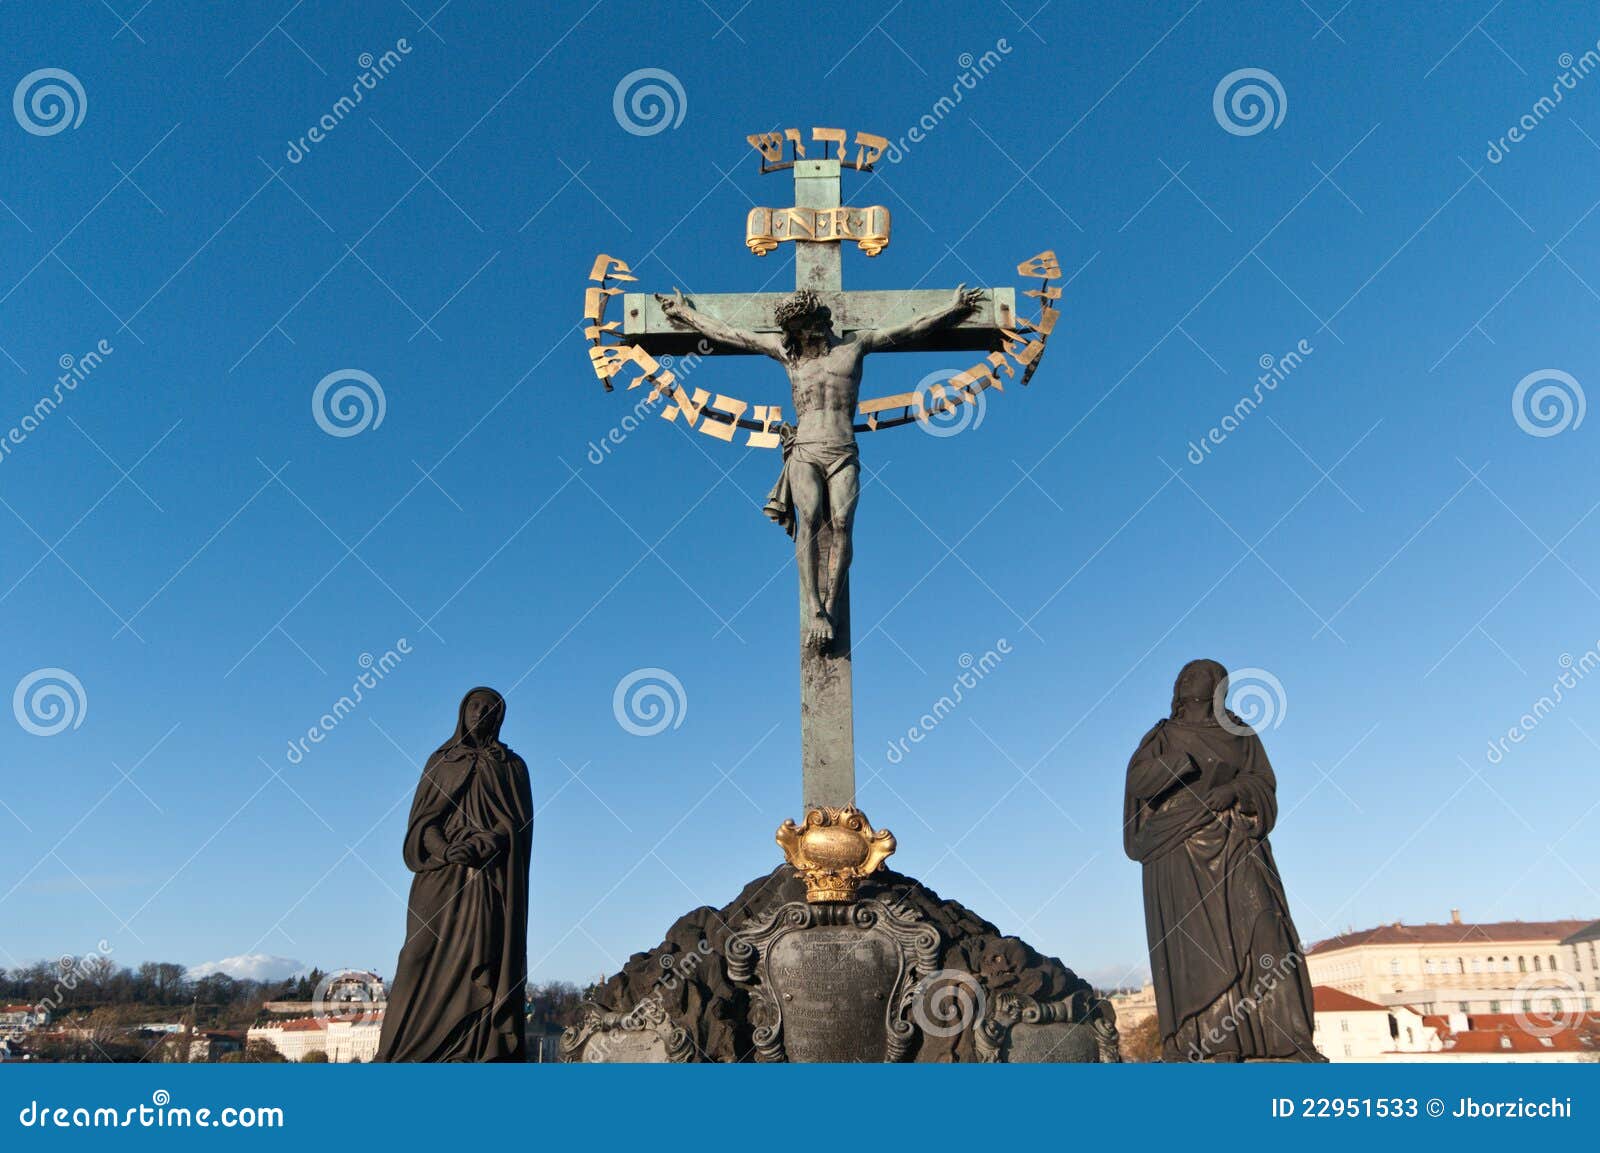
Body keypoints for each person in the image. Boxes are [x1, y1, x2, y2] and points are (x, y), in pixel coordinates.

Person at [657, 284, 980, 652]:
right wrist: (685, 314)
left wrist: (953, 310)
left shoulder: (855, 346)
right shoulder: (789, 355)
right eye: (792, 330)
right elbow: (733, 335)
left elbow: (911, 327)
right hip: (806, 449)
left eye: (802, 326)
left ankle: (831, 607)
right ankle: (814, 608)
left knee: (842, 524)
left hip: (843, 450)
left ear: (819, 320)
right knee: (808, 520)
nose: (797, 335)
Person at [1122, 659, 1322, 1062]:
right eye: (1182, 675)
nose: (1185, 678)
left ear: (1218, 685)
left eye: (1197, 674)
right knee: (1199, 949)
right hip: (1179, 850)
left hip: (1236, 841)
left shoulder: (1239, 732)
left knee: (1266, 927)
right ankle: (1213, 1044)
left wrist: (1233, 792)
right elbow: (1139, 784)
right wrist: (1178, 766)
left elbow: (1263, 784)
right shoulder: (1162, 736)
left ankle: (1285, 1041)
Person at [376, 687, 532, 1062]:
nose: (481, 712)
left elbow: (517, 826)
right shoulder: (441, 761)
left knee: (485, 961)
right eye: (474, 705)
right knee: (416, 957)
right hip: (439, 875)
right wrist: (445, 849)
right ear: (462, 711)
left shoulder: (511, 766)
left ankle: (473, 1052)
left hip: (486, 880)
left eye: (489, 708)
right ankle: (397, 1055)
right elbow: (421, 824)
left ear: (499, 718)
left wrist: (484, 844)